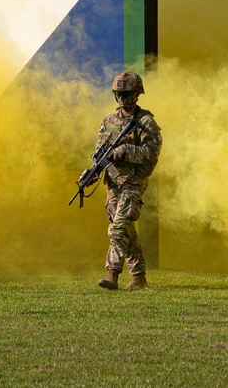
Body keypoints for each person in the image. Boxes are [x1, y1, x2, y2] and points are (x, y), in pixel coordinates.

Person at [96, 71, 162, 290]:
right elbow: (100, 150)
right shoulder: (109, 121)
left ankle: (112, 274)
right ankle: (139, 276)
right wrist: (95, 170)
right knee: (126, 229)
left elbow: (152, 153)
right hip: (113, 183)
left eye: (126, 94)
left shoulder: (145, 122)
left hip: (133, 183)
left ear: (136, 94)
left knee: (118, 228)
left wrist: (125, 150)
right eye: (119, 94)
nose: (122, 98)